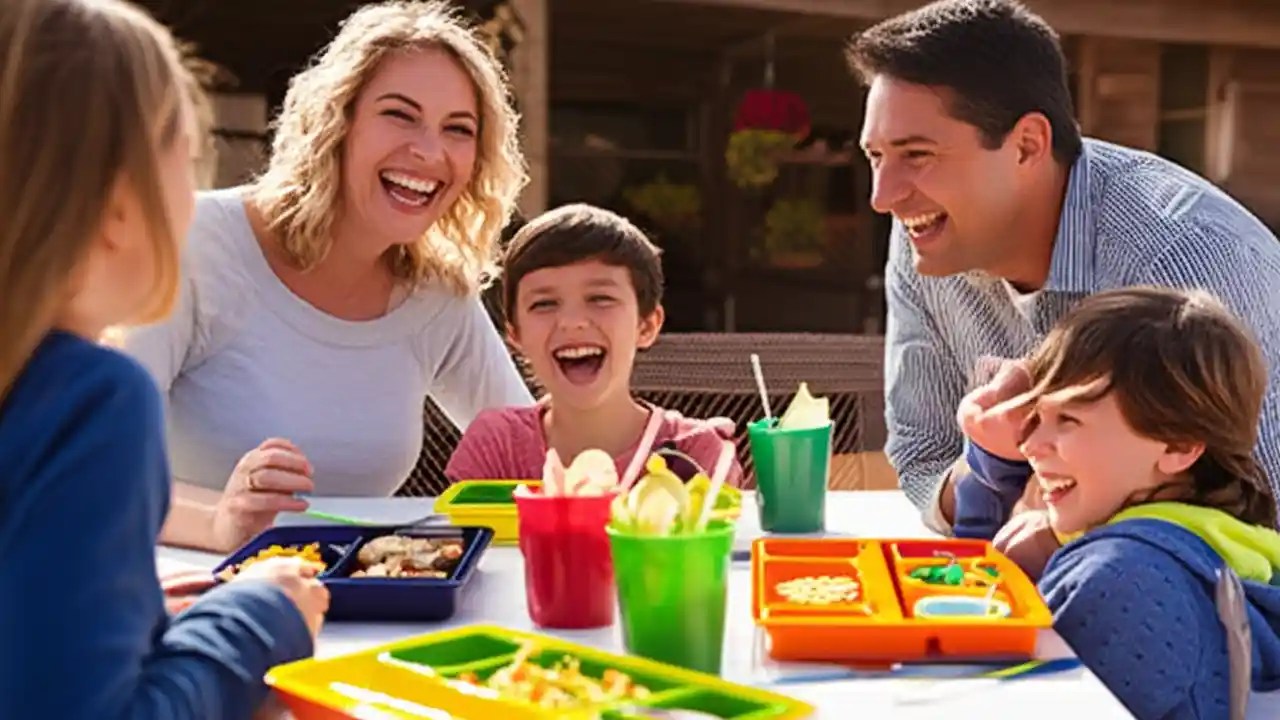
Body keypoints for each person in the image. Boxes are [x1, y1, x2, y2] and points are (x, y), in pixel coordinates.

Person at [846, 0, 1280, 542]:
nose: (883, 197)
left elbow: (1257, 510)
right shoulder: (927, 232)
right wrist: (991, 468)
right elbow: (924, 457)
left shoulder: (1187, 260)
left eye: (917, 154)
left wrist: (1055, 535)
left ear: (1028, 144)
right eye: (876, 157)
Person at [0, 1, 327, 717]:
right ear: (120, 201)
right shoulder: (91, 398)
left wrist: (147, 617)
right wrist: (258, 617)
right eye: (188, 155)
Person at [122, 0, 534, 553]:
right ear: (336, 122)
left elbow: (530, 459)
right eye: (399, 114)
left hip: (364, 607)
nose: (429, 150)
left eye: (457, 129)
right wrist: (221, 522)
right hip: (182, 596)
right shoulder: (194, 242)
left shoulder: (439, 294)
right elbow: (90, 468)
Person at [952, 286, 1280, 719]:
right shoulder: (1226, 553)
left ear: (1179, 445)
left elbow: (975, 701)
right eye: (1036, 418)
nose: (1030, 443)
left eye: (1068, 419)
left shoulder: (1117, 578)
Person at [445, 203, 744, 488]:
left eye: (600, 299)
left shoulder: (696, 452)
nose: (572, 322)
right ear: (516, 335)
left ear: (647, 325)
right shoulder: (497, 444)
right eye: (545, 303)